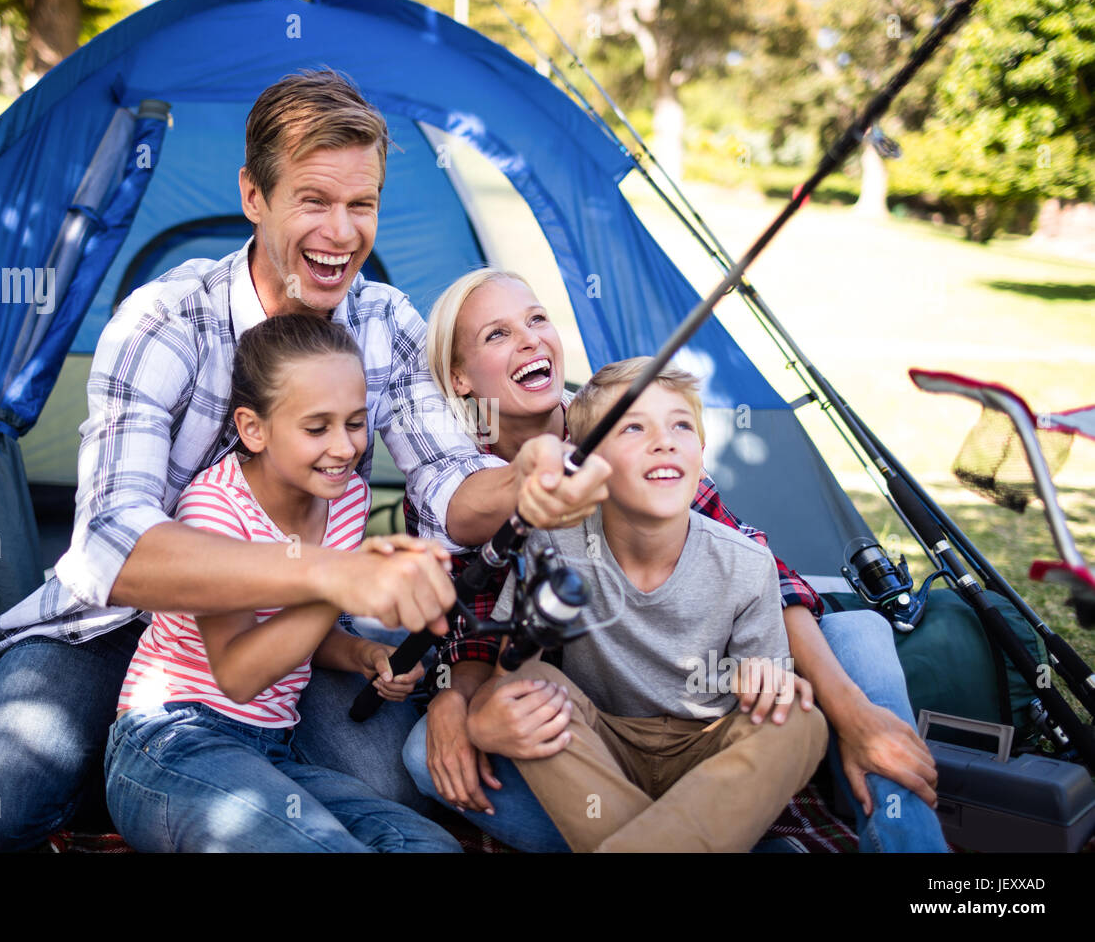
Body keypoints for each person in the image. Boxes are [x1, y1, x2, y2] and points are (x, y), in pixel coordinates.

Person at [0, 71, 609, 852]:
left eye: (362, 205)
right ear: (254, 195)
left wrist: (522, 478)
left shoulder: (384, 322)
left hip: (286, 638)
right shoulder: (164, 320)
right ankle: (155, 770)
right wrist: (330, 574)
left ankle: (203, 788)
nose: (342, 233)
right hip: (119, 627)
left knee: (390, 787)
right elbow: (114, 547)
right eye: (314, 201)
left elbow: (451, 483)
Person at [402, 267, 948, 852]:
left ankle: (901, 841)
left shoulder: (628, 420)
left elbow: (767, 576)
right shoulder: (452, 481)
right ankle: (716, 832)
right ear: (458, 377)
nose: (530, 339)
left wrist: (854, 714)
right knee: (425, 754)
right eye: (498, 334)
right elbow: (478, 631)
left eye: (537, 319)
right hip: (595, 719)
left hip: (698, 710)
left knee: (856, 636)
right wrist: (463, 700)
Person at [105, 314, 459, 852]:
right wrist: (341, 583)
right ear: (254, 429)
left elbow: (302, 634)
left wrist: (366, 654)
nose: (345, 448)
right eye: (317, 428)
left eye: (355, 423)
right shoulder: (215, 509)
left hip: (272, 749)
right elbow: (239, 673)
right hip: (173, 740)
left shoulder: (347, 499)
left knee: (430, 846)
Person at [493, 359, 828, 851]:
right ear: (589, 466)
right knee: (531, 685)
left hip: (711, 754)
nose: (664, 441)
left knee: (800, 717)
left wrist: (761, 677)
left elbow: (764, 684)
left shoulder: (748, 561)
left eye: (681, 426)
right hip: (603, 750)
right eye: (634, 427)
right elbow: (510, 673)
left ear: (702, 452)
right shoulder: (553, 546)